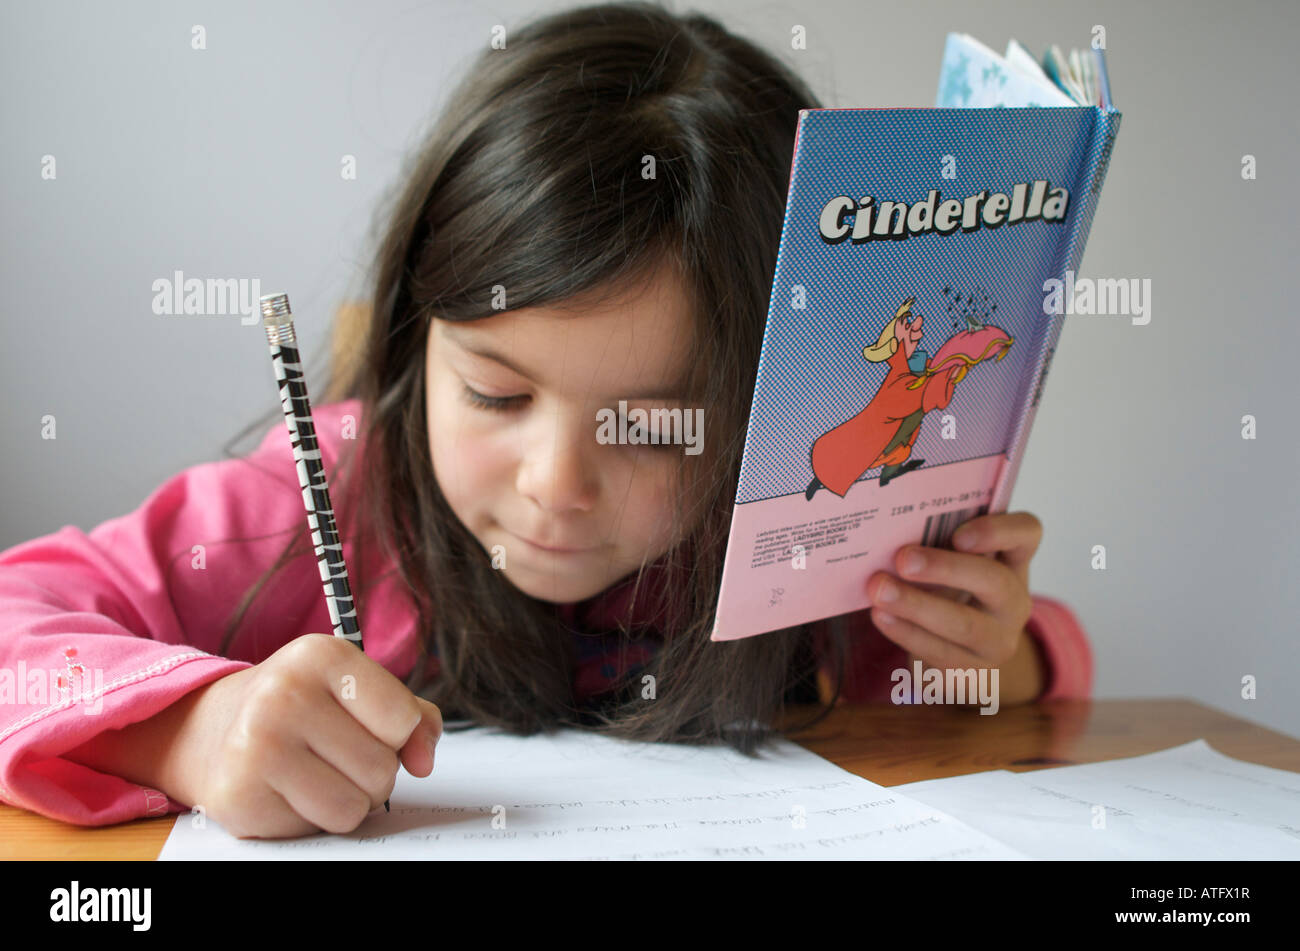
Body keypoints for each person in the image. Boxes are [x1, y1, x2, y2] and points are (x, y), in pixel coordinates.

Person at [0, 1, 1091, 839]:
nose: (556, 485)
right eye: (496, 395)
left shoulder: (810, 536)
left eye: (657, 424)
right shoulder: (314, 502)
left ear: (771, 404)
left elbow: (1016, 695)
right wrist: (192, 733)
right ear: (413, 345)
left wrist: (994, 658)